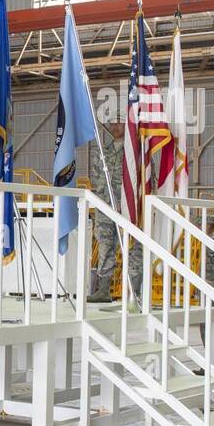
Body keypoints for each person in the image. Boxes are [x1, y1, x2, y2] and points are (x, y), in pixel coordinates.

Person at [86, 120, 125, 302]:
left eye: (120, 123)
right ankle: (103, 289)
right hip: (105, 206)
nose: (115, 127)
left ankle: (135, 291)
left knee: (132, 249)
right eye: (112, 124)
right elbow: (95, 176)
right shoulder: (103, 152)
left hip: (126, 207)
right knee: (105, 245)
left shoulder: (135, 152)